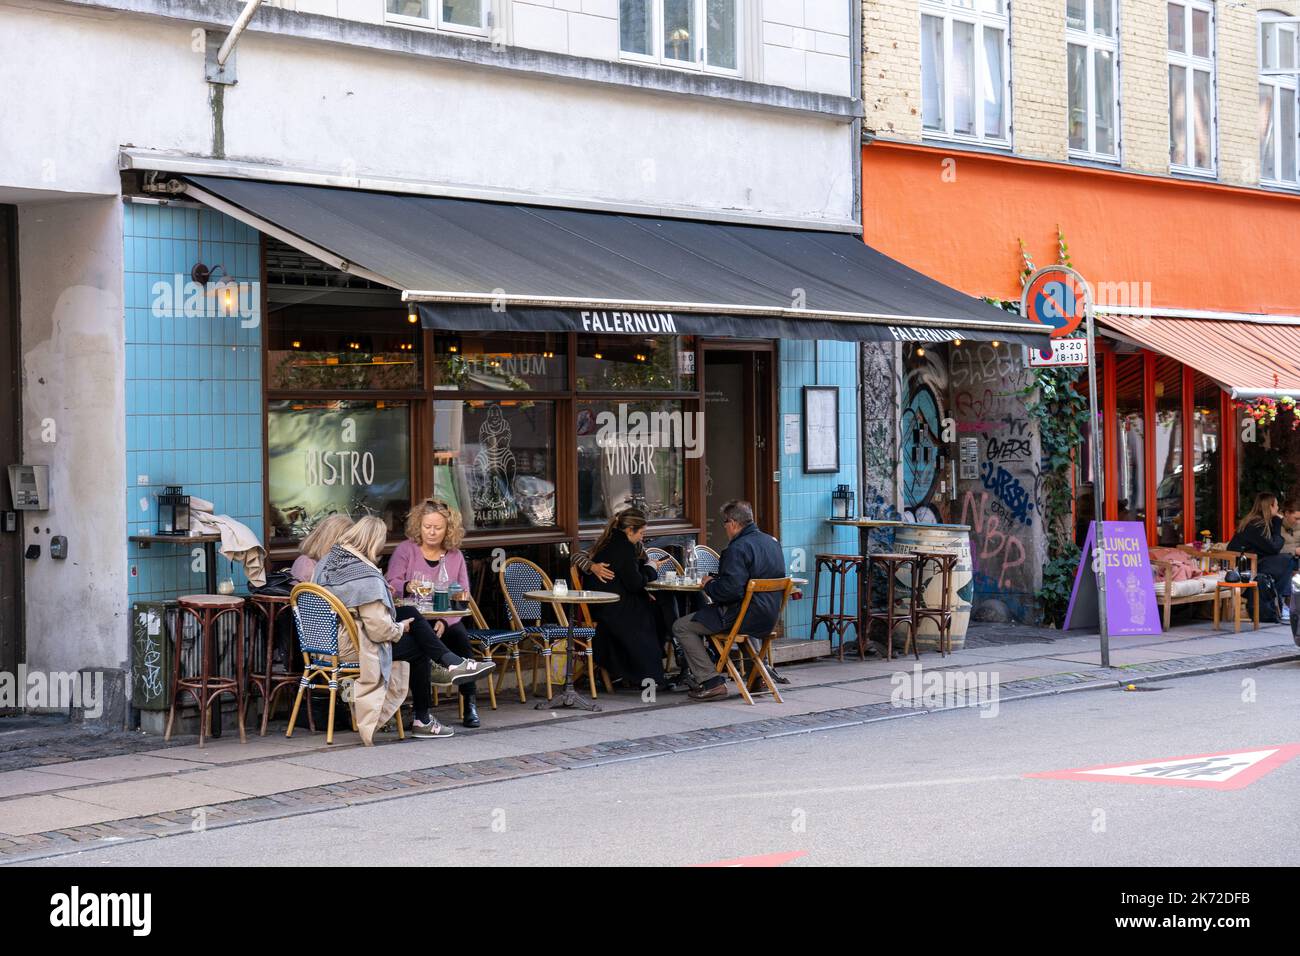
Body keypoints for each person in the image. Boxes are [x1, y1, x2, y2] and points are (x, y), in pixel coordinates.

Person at [315, 516, 492, 741]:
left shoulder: (328, 563)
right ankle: (424, 718)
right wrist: (399, 628)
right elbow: (380, 631)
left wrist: (391, 605)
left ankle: (449, 663)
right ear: (372, 543)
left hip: (324, 644)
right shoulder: (365, 575)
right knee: (419, 648)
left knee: (411, 613)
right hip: (352, 648)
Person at [386, 498, 487, 728]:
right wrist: (409, 585)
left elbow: (463, 596)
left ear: (448, 529)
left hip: (443, 620)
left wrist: (444, 620)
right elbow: (390, 584)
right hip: (412, 619)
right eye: (427, 526)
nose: (431, 532)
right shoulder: (406, 550)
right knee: (417, 646)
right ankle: (423, 710)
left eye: (437, 528)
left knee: (461, 637)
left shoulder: (454, 556)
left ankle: (469, 701)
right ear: (418, 526)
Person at [671, 500, 786, 702]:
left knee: (681, 626)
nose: (725, 527)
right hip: (768, 617)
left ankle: (711, 682)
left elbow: (729, 592)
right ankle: (756, 676)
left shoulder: (737, 548)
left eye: (724, 523)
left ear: (732, 523)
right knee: (744, 619)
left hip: (740, 617)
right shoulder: (772, 542)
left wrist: (708, 584)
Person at [579, 509, 666, 690]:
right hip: (611, 608)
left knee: (654, 607)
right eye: (641, 533)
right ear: (630, 530)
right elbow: (634, 583)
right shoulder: (624, 547)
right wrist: (651, 568)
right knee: (655, 612)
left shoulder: (608, 541)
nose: (642, 537)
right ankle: (646, 675)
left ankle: (637, 673)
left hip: (604, 604)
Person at [1228, 492, 1293, 623]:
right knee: (1287, 560)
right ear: (1270, 506)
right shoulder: (1256, 526)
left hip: (1253, 562)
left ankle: (1281, 602)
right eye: (1276, 505)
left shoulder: (1256, 522)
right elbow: (1274, 548)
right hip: (1244, 567)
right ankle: (1280, 601)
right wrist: (1278, 523)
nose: (1278, 508)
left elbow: (1270, 549)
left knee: (1289, 561)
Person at [291, 514, 353, 584]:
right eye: (346, 542)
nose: (350, 546)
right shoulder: (307, 564)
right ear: (331, 541)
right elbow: (299, 593)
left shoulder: (339, 563)